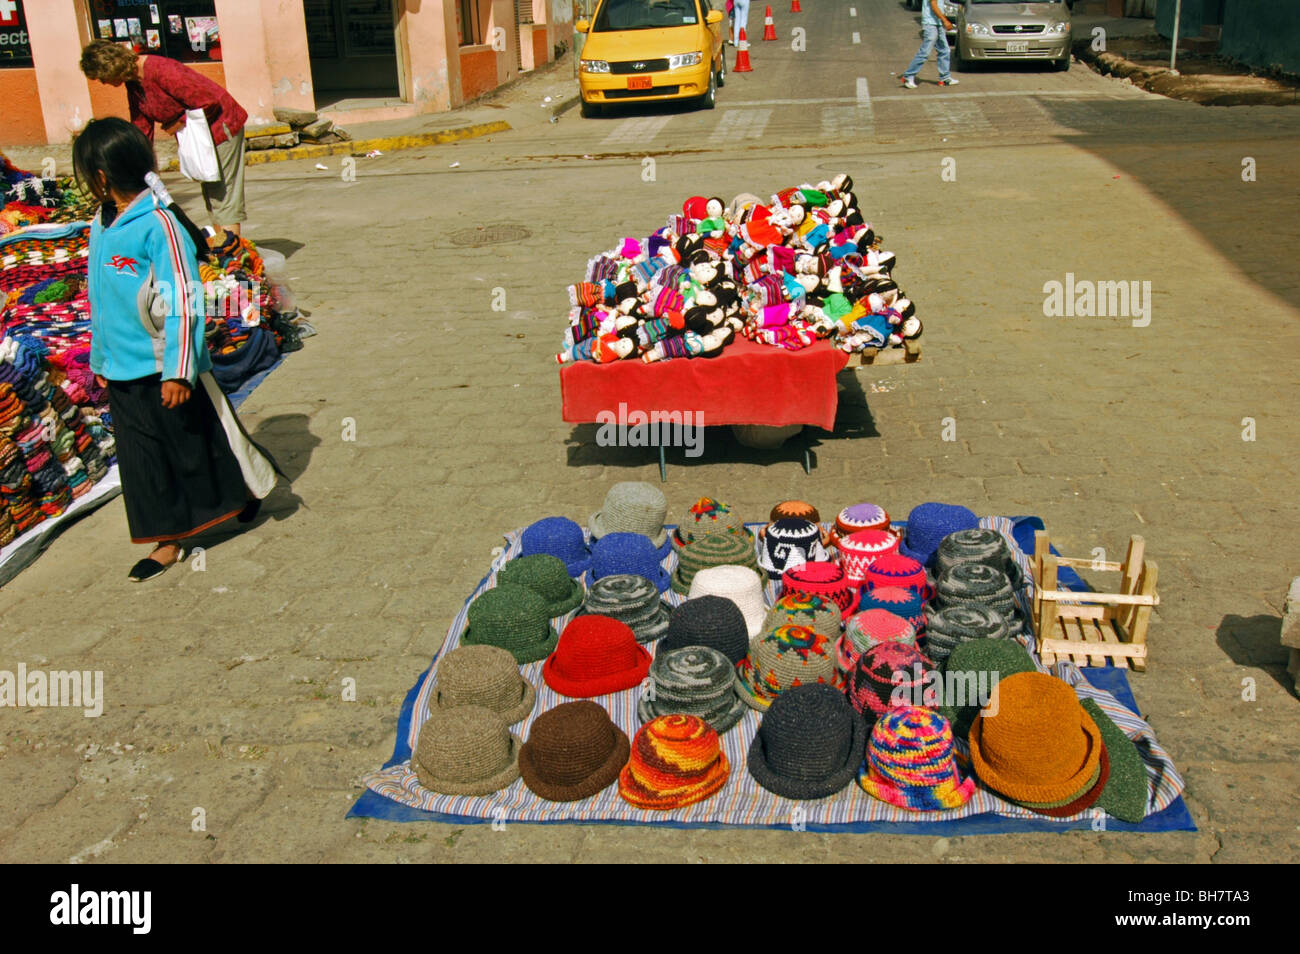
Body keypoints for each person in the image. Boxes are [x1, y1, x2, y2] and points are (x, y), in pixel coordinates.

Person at [75, 117, 279, 582]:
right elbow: (99, 297)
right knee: (141, 458)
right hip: (121, 367)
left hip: (163, 363)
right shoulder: (101, 225)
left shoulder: (160, 225)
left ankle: (248, 490)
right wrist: (100, 359)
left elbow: (184, 300)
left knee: (197, 443)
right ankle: (167, 543)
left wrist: (178, 370)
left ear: (103, 174)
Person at [79, 39, 248, 241]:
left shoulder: (160, 69)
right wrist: (133, 160)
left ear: (110, 67)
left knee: (223, 195)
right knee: (212, 193)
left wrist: (179, 122)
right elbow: (141, 125)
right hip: (199, 138)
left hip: (221, 127)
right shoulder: (133, 83)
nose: (104, 83)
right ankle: (224, 243)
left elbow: (207, 100)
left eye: (102, 77)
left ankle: (234, 252)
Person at [901, 0, 959, 89]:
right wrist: (945, 21)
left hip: (938, 23)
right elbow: (934, 5)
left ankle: (945, 77)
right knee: (925, 52)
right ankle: (908, 76)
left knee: (944, 50)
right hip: (931, 24)